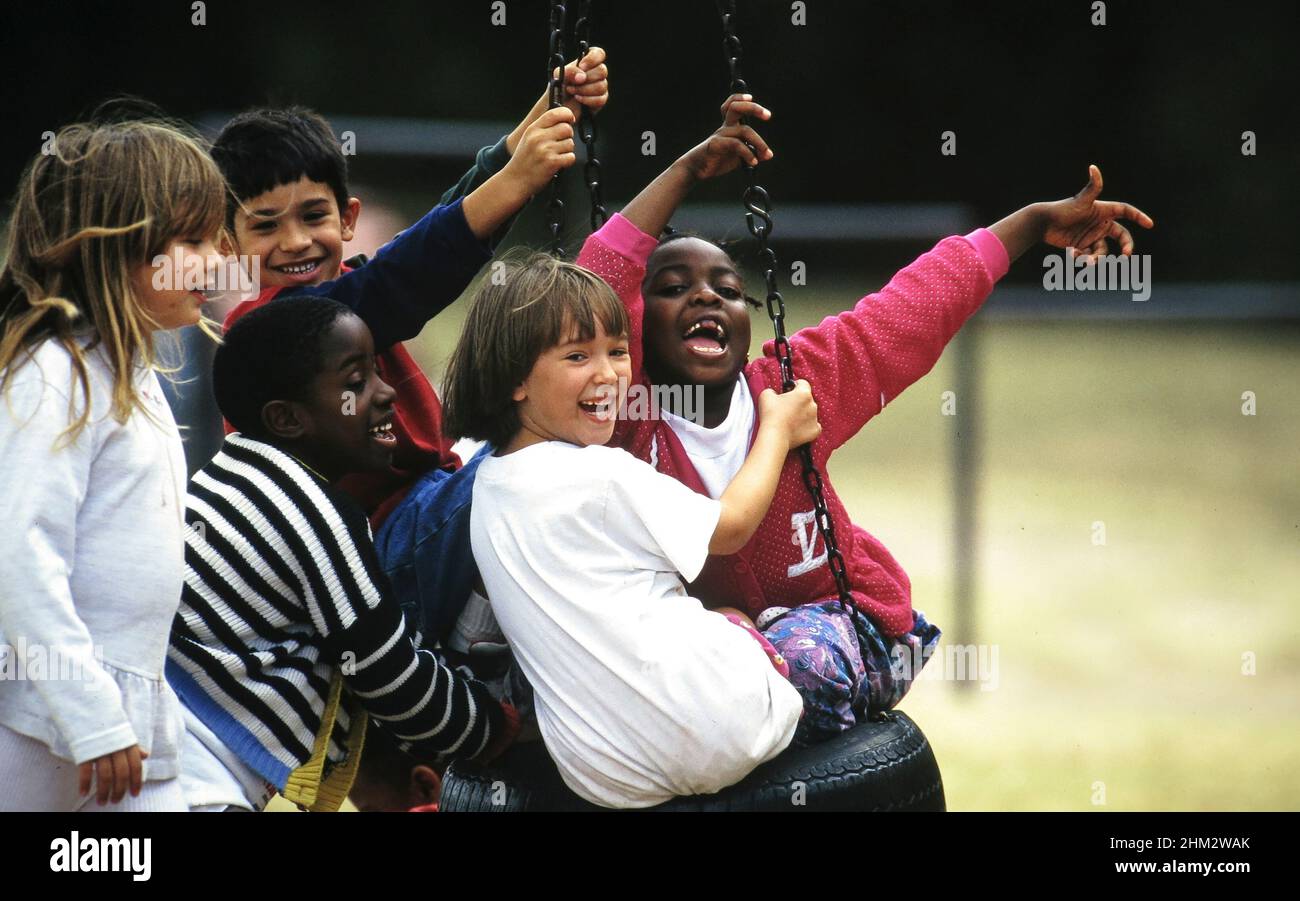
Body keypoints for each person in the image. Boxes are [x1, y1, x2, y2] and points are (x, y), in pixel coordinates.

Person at [576, 93, 1155, 745]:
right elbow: (593, 280)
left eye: (729, 289)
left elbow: (908, 311)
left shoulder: (795, 384)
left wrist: (1024, 227)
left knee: (796, 665)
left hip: (852, 627)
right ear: (634, 328)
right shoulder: (628, 412)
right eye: (674, 286)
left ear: (746, 320)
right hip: (720, 642)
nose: (707, 294)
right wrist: (684, 170)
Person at [440, 254, 813, 809]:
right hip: (731, 727)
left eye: (617, 351)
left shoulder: (487, 488)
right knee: (800, 630)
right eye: (576, 356)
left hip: (605, 779)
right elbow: (730, 527)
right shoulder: (603, 474)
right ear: (514, 379)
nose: (609, 373)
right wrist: (777, 432)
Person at [168, 296, 517, 812]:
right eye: (355, 383)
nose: (386, 393)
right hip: (195, 761)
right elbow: (388, 676)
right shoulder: (309, 508)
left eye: (377, 371)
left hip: (174, 735)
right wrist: (502, 728)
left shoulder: (232, 477)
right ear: (287, 419)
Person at [0, 114, 226, 810]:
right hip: (43, 722)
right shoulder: (55, 375)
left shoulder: (137, 373)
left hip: (130, 716)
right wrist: (89, 714)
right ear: (121, 248)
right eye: (191, 241)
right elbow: (20, 555)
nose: (216, 263)